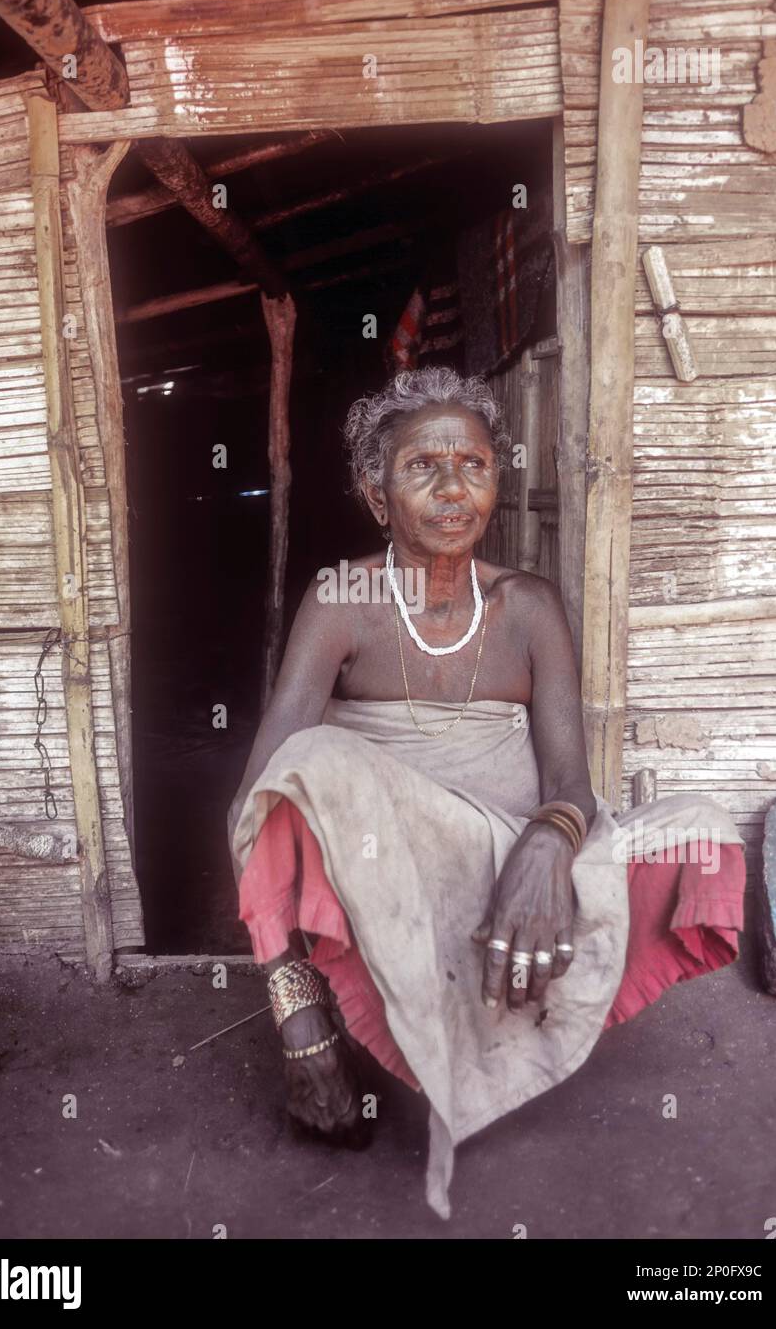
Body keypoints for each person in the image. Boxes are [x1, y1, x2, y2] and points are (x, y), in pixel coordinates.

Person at [227, 367, 745, 1217]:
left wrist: (548, 840)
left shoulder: (527, 606)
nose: (452, 487)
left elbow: (572, 782)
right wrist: (297, 1020)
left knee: (704, 834)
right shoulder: (340, 604)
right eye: (421, 466)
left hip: (510, 862)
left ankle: (501, 1016)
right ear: (375, 493)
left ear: (497, 482)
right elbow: (258, 807)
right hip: (387, 876)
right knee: (309, 763)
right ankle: (353, 1006)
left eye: (472, 464)